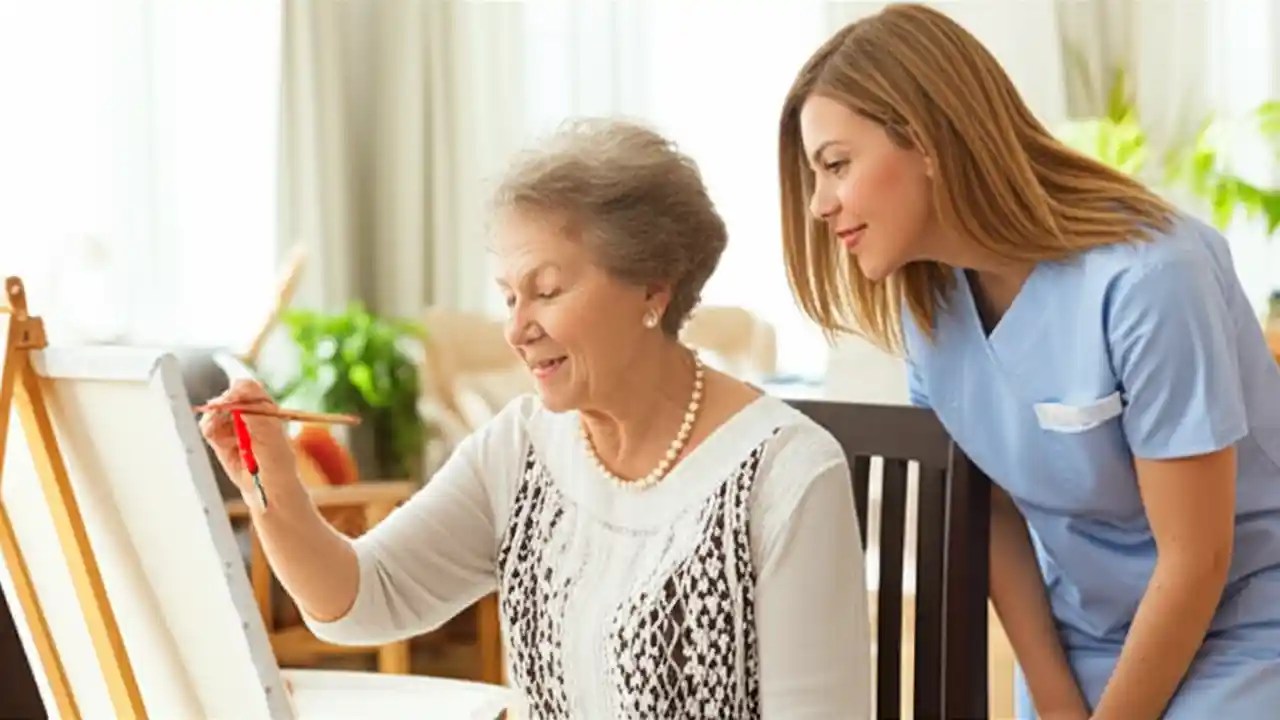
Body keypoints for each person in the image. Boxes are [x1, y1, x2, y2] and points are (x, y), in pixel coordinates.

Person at [202, 118, 871, 719]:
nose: (517, 328)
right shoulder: (521, 447)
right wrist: (272, 481)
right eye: (508, 297)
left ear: (653, 289)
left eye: (547, 291)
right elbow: (360, 601)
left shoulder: (785, 474)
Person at [776, 4, 1280, 719]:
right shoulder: (930, 308)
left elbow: (1196, 558)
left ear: (926, 140)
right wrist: (1055, 697)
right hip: (1082, 639)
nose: (820, 205)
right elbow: (995, 514)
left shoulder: (1152, 277)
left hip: (1245, 626)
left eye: (836, 165)